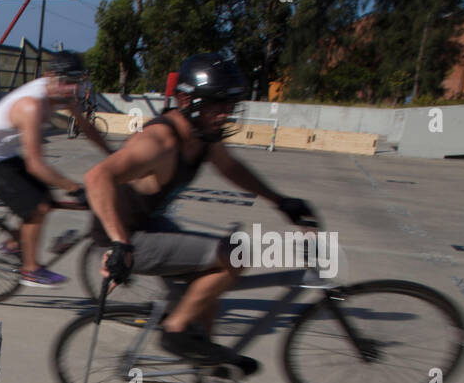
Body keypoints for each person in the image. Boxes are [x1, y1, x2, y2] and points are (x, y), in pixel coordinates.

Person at [84, 53, 317, 367]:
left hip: (151, 224)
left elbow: (231, 167)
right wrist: (119, 243)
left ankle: (204, 357)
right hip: (128, 237)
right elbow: (97, 177)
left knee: (211, 276)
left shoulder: (203, 136)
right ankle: (176, 330)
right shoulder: (159, 142)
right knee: (235, 256)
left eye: (229, 107)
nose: (224, 115)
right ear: (186, 100)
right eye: (216, 106)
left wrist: (279, 200)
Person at [0, 51, 111, 285]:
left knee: (47, 199)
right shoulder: (31, 105)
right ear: (50, 77)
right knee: (37, 207)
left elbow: (87, 128)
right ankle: (30, 270)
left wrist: (114, 155)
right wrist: (75, 188)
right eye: (66, 82)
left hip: (5, 154)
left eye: (76, 83)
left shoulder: (63, 95)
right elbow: (36, 165)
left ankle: (13, 245)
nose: (71, 89)